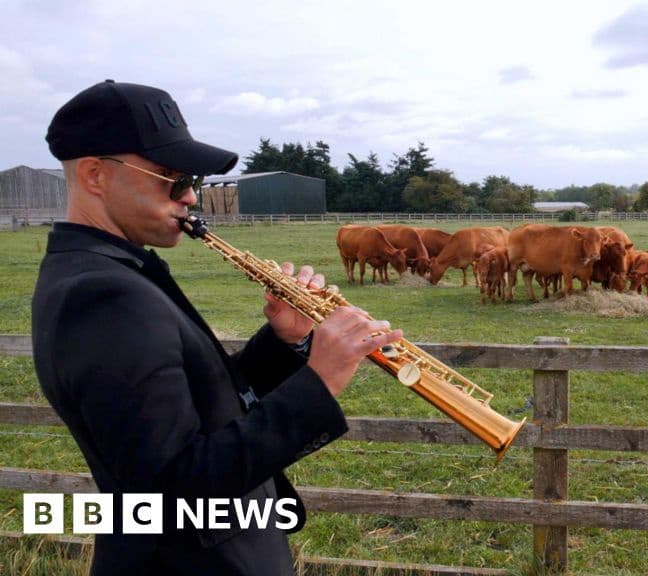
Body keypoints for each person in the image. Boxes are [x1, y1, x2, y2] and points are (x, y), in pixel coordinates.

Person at [32, 80, 403, 575]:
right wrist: (321, 380)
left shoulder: (114, 269)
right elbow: (170, 492)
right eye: (172, 177)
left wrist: (282, 341)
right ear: (96, 176)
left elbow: (196, 410)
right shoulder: (101, 295)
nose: (190, 196)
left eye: (195, 182)